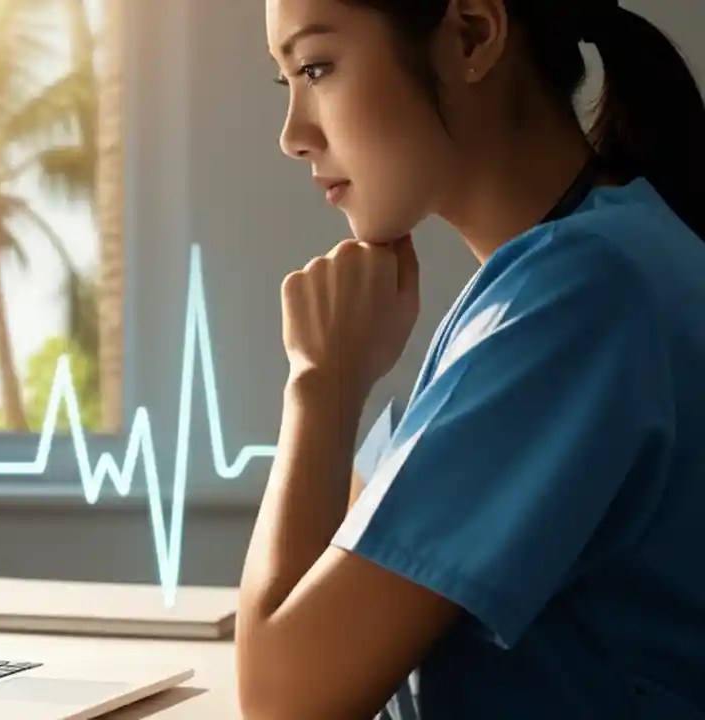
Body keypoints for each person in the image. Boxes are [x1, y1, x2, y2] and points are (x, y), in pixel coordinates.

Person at [235, 0, 705, 718]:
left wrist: (320, 383)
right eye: (287, 81)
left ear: (471, 36)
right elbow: (339, 579)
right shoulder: (559, 276)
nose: (293, 136)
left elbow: (283, 702)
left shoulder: (578, 299)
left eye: (317, 67)